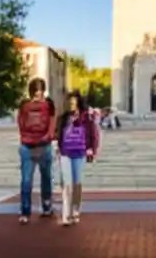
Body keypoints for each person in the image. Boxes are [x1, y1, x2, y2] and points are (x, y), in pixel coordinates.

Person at [55, 90, 99, 226]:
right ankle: (65, 214)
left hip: (80, 153)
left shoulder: (86, 118)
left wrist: (92, 149)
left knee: (77, 182)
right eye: (70, 103)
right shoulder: (63, 118)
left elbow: (93, 134)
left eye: (74, 103)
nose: (72, 105)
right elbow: (57, 135)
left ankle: (75, 210)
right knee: (67, 184)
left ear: (79, 104)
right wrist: (57, 148)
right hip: (65, 153)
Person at [16, 78, 56, 224]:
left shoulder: (47, 105)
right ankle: (27, 210)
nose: (38, 94)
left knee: (43, 179)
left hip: (41, 146)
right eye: (36, 91)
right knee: (27, 180)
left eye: (40, 91)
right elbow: (21, 124)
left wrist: (47, 137)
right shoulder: (26, 106)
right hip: (30, 146)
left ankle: (45, 206)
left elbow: (52, 124)